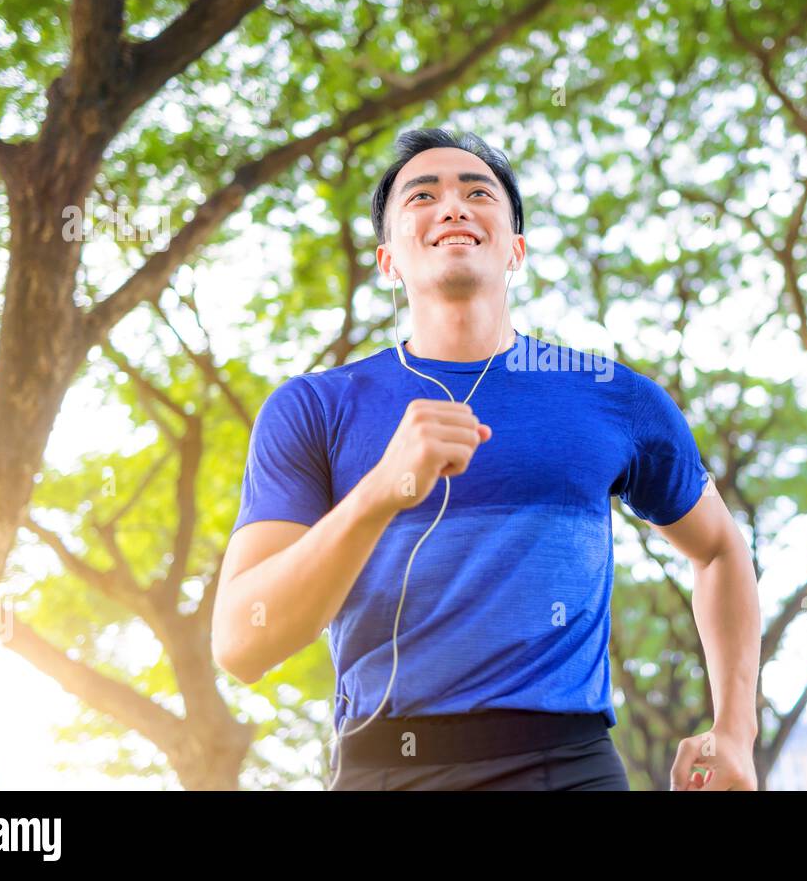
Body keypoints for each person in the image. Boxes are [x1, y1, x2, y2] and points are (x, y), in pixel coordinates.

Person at [212, 128, 760, 790]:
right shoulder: (312, 408)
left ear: (514, 250)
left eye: (479, 192)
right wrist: (379, 492)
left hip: (568, 766)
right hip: (385, 767)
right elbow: (243, 642)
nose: (453, 205)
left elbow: (720, 549)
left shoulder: (615, 398)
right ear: (389, 261)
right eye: (422, 194)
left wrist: (734, 730)